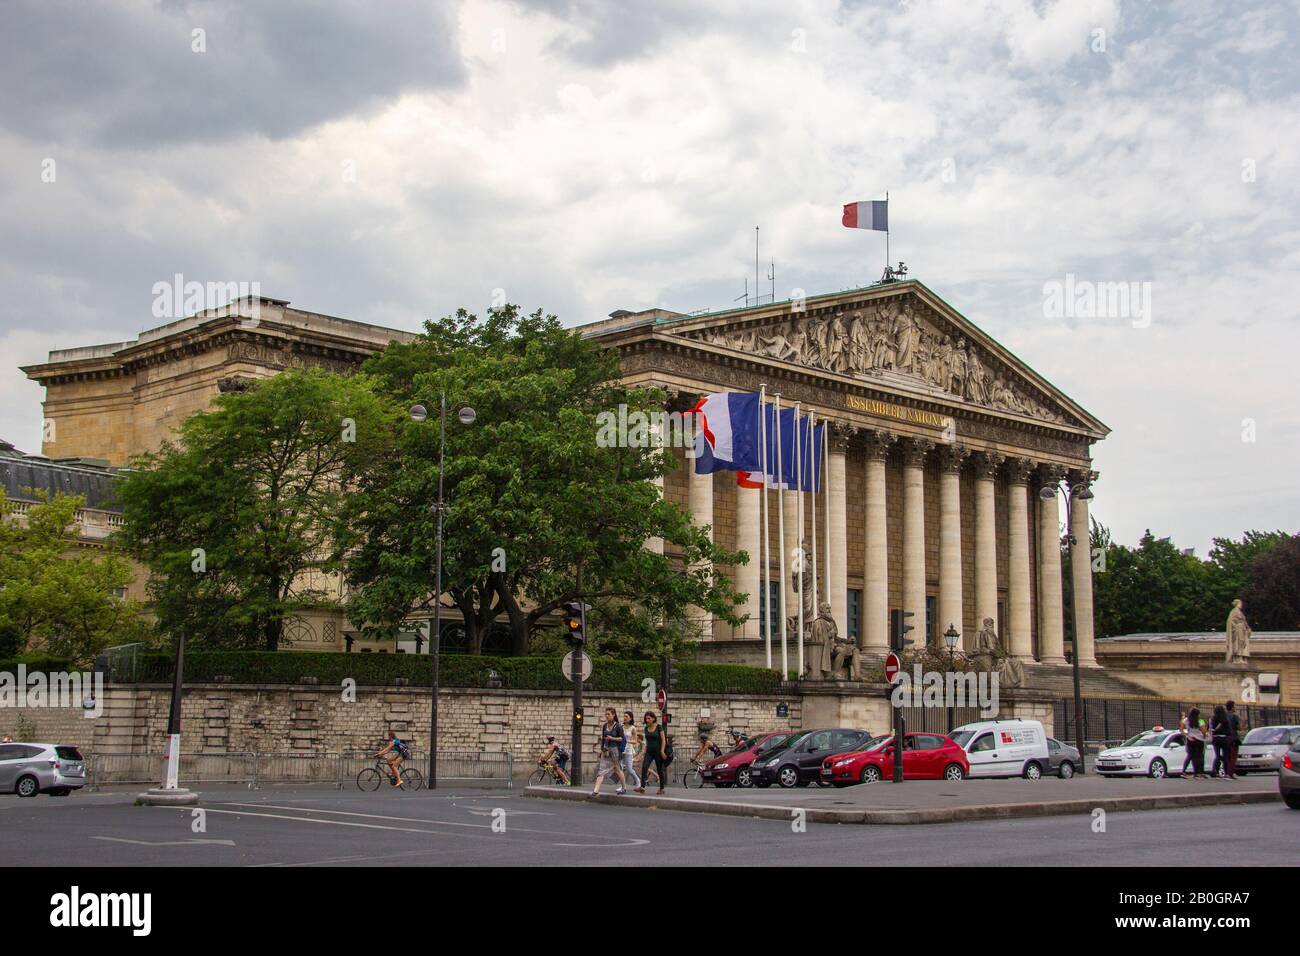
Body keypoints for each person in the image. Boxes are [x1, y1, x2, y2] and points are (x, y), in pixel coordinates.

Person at [592, 707, 627, 796]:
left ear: (613, 715)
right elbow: (603, 739)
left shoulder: (618, 726)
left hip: (615, 751)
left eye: (609, 714)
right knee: (601, 771)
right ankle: (595, 791)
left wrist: (612, 738)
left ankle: (624, 788)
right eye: (606, 714)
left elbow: (622, 738)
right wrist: (601, 750)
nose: (607, 716)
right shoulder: (604, 726)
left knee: (618, 769)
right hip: (606, 751)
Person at [636, 711, 669, 795]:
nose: (647, 720)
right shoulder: (646, 728)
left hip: (658, 752)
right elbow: (647, 741)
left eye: (649, 718)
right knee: (644, 767)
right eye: (646, 718)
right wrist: (643, 752)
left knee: (659, 770)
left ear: (653, 718)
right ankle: (642, 787)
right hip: (649, 752)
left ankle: (661, 788)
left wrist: (662, 751)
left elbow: (663, 740)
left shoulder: (659, 727)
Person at [620, 711, 642, 789]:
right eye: (624, 716)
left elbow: (635, 741)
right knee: (620, 769)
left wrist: (627, 741)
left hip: (628, 750)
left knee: (629, 769)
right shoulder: (620, 727)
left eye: (626, 716)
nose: (624, 718)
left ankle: (637, 780)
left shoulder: (633, 728)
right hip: (620, 750)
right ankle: (623, 786)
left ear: (630, 718)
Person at [1184, 708, 1208, 779]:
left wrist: (1187, 735)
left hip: (1191, 739)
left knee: (1193, 756)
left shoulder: (1187, 721)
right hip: (1199, 740)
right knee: (1200, 756)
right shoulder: (1200, 721)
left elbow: (1182, 728)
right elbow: (1203, 731)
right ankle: (1201, 772)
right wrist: (1204, 735)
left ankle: (1195, 772)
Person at [1210, 704, 1231, 778]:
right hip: (1224, 738)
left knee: (1217, 756)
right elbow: (1229, 730)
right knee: (1225, 756)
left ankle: (1215, 771)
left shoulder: (1213, 719)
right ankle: (1226, 773)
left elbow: (1211, 728)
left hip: (1216, 738)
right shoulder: (1225, 719)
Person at [1225, 700, 1243, 778]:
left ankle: (1226, 772)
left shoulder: (1224, 715)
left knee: (1227, 756)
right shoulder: (1235, 716)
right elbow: (1240, 728)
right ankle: (1230, 773)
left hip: (1225, 737)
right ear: (1232, 707)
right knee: (1233, 756)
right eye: (1234, 706)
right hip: (1233, 738)